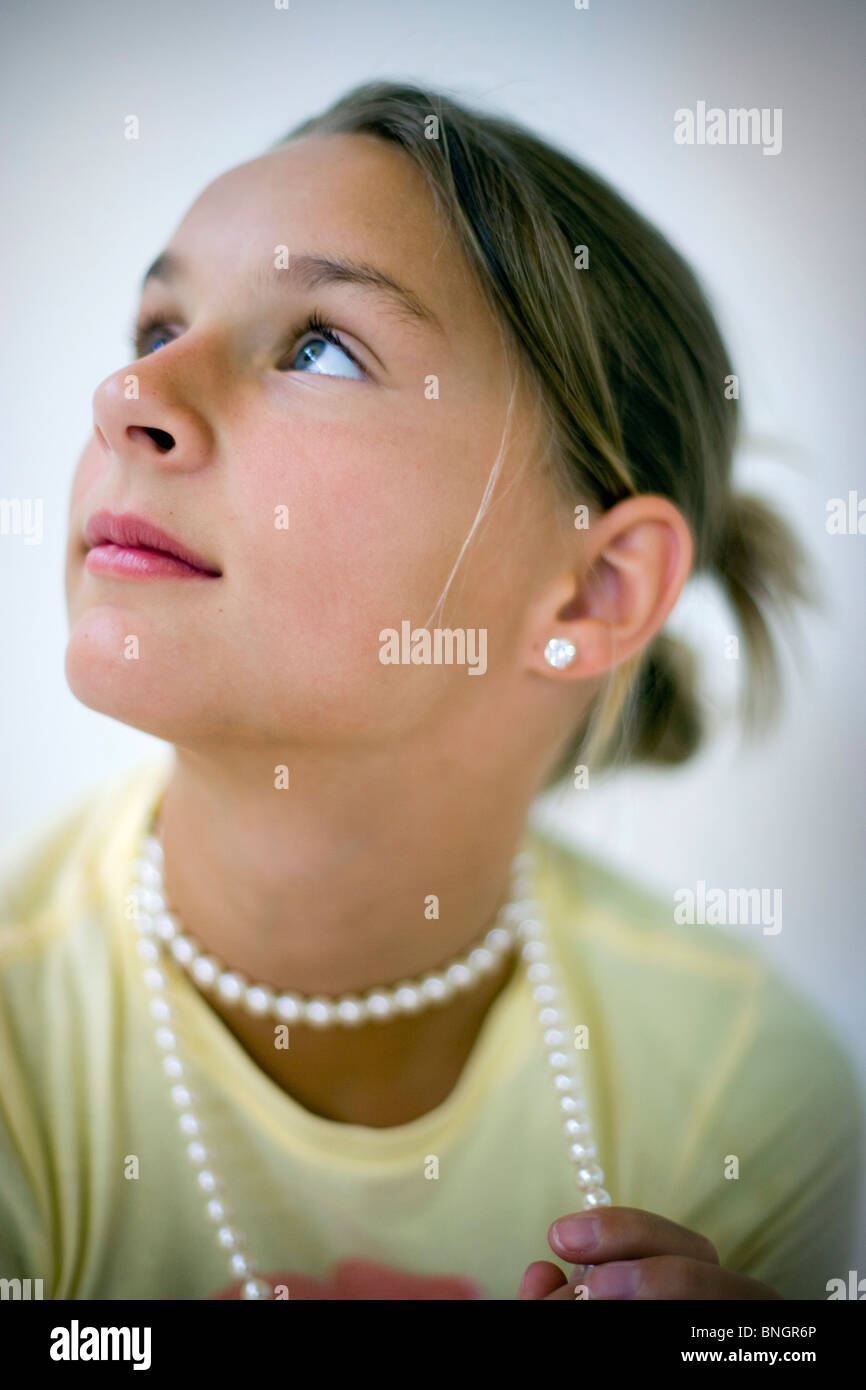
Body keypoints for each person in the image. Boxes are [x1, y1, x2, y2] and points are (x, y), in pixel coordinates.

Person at [0, 81, 860, 1301]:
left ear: (593, 591)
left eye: (318, 348)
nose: (130, 394)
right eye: (153, 330)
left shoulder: (750, 1089)